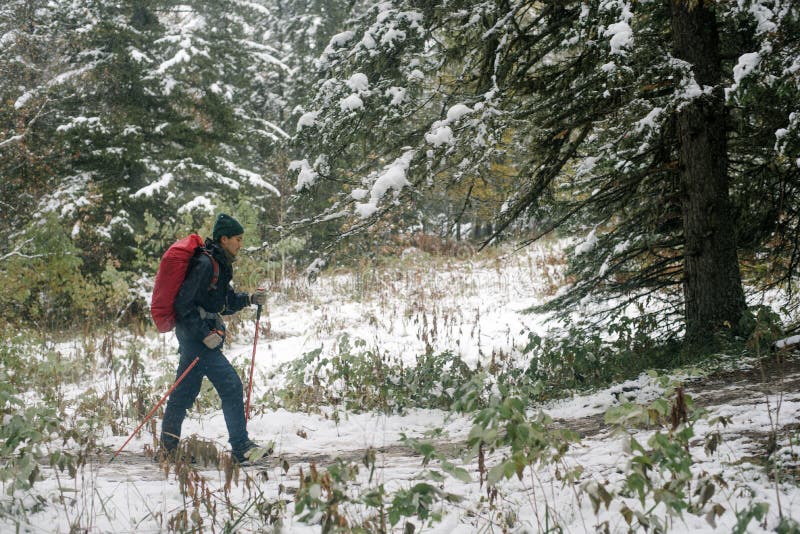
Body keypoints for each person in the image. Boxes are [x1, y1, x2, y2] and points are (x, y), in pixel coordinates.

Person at [158, 213, 268, 463]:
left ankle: (167, 450)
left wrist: (250, 299)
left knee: (183, 394)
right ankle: (241, 448)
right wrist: (205, 334)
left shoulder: (219, 263)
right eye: (237, 239)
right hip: (197, 339)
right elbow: (183, 305)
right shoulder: (206, 264)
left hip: (197, 337)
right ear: (224, 238)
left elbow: (223, 302)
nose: (240, 244)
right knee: (231, 385)